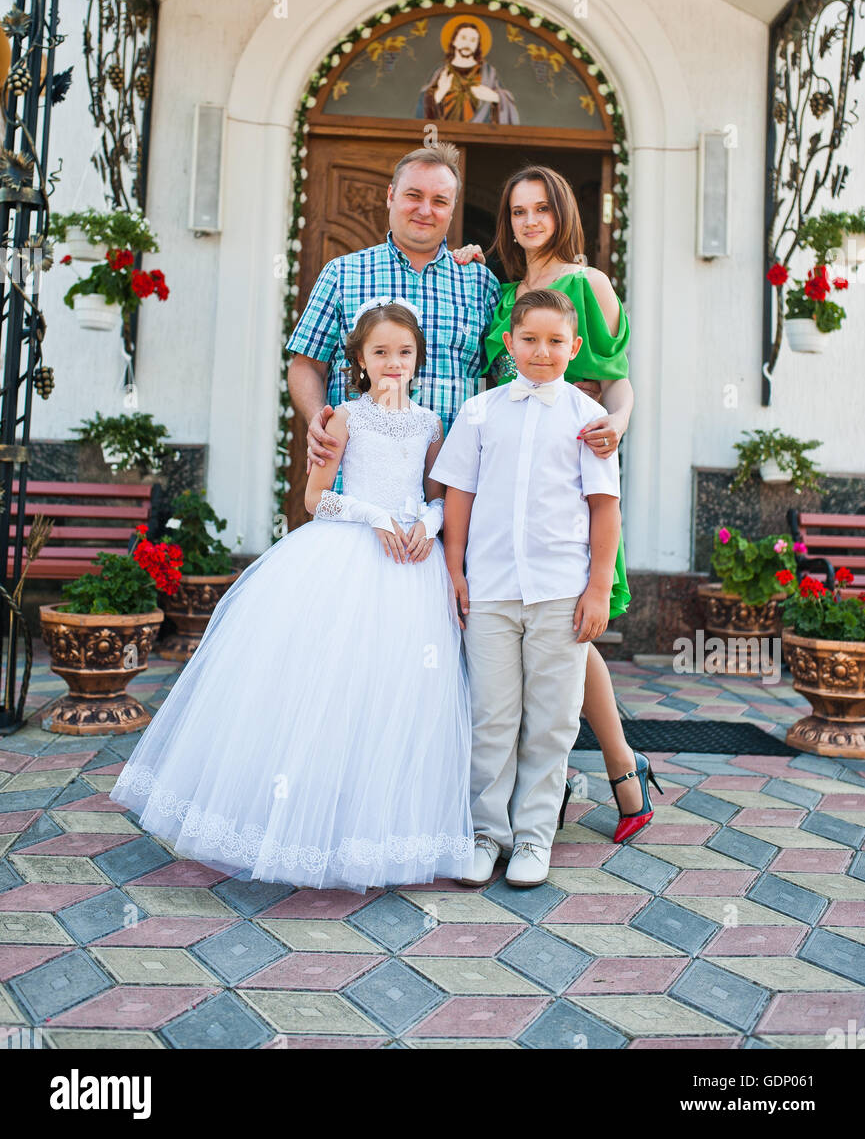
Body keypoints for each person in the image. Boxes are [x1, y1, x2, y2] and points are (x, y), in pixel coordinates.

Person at [109, 299, 474, 891]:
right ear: (358, 359)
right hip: (346, 554)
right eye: (380, 352)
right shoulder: (341, 418)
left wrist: (427, 528)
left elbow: (438, 496)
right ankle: (300, 825)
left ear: (418, 360)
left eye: (404, 353)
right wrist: (376, 516)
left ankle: (370, 829)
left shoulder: (432, 424)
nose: (392, 363)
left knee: (395, 697)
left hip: (411, 572)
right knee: (326, 689)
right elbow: (315, 501)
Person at [454, 165, 660, 842]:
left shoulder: (587, 282)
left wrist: (620, 423)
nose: (530, 221)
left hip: (572, 473)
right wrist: (464, 262)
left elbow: (617, 381)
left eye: (541, 208)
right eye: (517, 211)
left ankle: (618, 770)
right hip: (504, 476)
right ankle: (592, 774)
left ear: (562, 213)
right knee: (548, 630)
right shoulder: (505, 291)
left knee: (573, 624)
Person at [431, 289, 655, 889]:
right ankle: (485, 833)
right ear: (508, 343)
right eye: (529, 339)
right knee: (492, 715)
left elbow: (604, 511)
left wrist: (599, 590)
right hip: (493, 590)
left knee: (552, 720)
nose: (541, 351)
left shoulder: (589, 421)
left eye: (556, 341)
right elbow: (459, 497)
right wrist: (455, 570)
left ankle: (533, 837)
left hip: (560, 590)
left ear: (575, 348)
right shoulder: (479, 413)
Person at [287, 141, 500, 486]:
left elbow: (501, 375)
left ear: (452, 208)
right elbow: (306, 364)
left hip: (453, 486)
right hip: (358, 484)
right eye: (414, 195)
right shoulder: (343, 274)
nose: (425, 210)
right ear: (390, 196)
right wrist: (317, 417)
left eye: (440, 201)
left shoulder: (481, 284)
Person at [415, 17, 519, 125]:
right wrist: (440, 93)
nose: (468, 44)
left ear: (477, 45)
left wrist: (495, 97)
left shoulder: (488, 72)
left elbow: (505, 103)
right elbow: (422, 111)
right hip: (444, 135)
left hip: (479, 135)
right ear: (454, 41)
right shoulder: (442, 71)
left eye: (473, 40)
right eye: (463, 38)